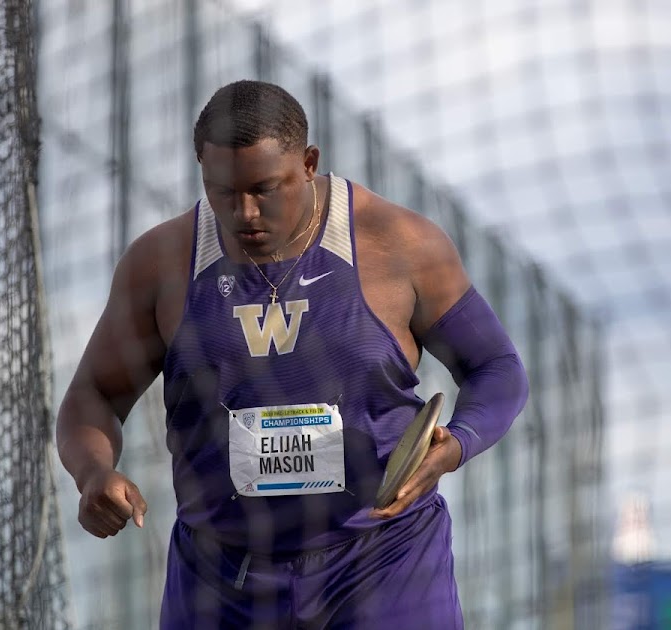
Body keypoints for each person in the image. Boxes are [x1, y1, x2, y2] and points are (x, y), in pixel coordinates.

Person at [56, 80, 529, 629]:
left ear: (308, 163)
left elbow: (497, 369)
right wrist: (92, 472)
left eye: (265, 188)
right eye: (223, 192)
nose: (245, 212)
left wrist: (457, 445)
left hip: (384, 559)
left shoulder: (398, 243)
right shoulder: (159, 263)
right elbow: (93, 395)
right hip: (221, 577)